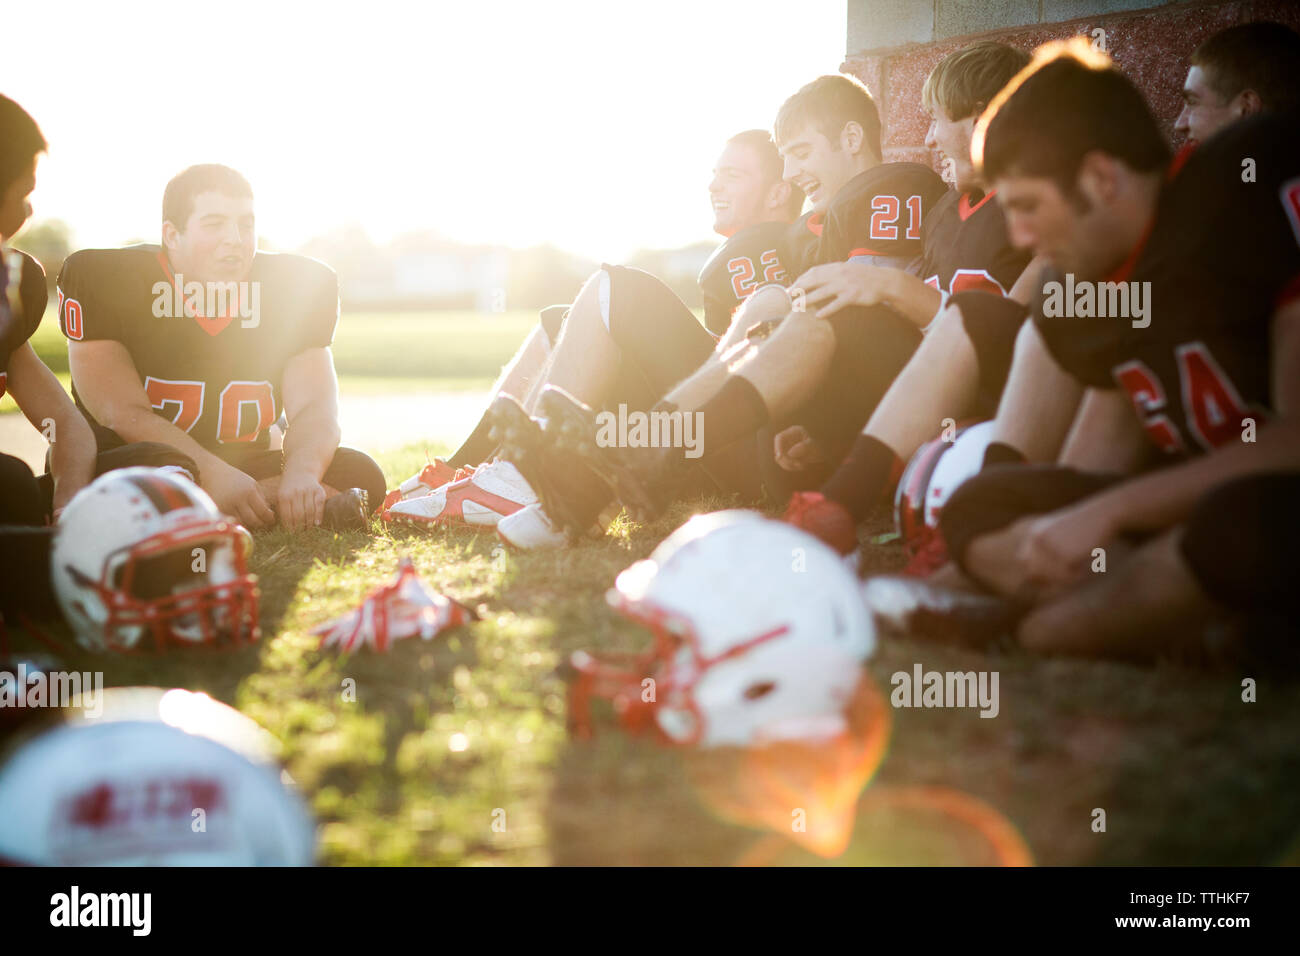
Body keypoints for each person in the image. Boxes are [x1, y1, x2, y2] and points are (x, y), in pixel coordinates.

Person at [877, 37, 1300, 661]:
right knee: (982, 508)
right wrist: (1060, 527)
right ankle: (1175, 617)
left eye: (1027, 207)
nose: (1020, 235)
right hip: (1182, 519)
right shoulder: (1092, 283)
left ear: (1102, 179)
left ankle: (1051, 626)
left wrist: (1109, 514)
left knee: (1241, 525)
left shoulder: (1242, 199)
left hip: (1255, 509)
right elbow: (1091, 472)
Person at [384, 129, 805, 529]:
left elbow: (752, 361)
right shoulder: (768, 249)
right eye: (714, 175)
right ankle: (478, 468)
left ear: (779, 191)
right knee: (560, 321)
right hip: (705, 446)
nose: (714, 186)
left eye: (732, 175)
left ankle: (520, 477)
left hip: (737, 457)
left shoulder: (769, 247)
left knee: (621, 288)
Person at [59, 164, 385, 531]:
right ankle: (264, 506)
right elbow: (121, 413)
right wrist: (211, 474)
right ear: (172, 234)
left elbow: (314, 408)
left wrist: (302, 472)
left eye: (246, 224)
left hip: (243, 463)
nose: (235, 238)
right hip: (144, 461)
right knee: (151, 473)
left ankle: (205, 511)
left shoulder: (294, 288)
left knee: (360, 472)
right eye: (214, 224)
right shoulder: (107, 280)